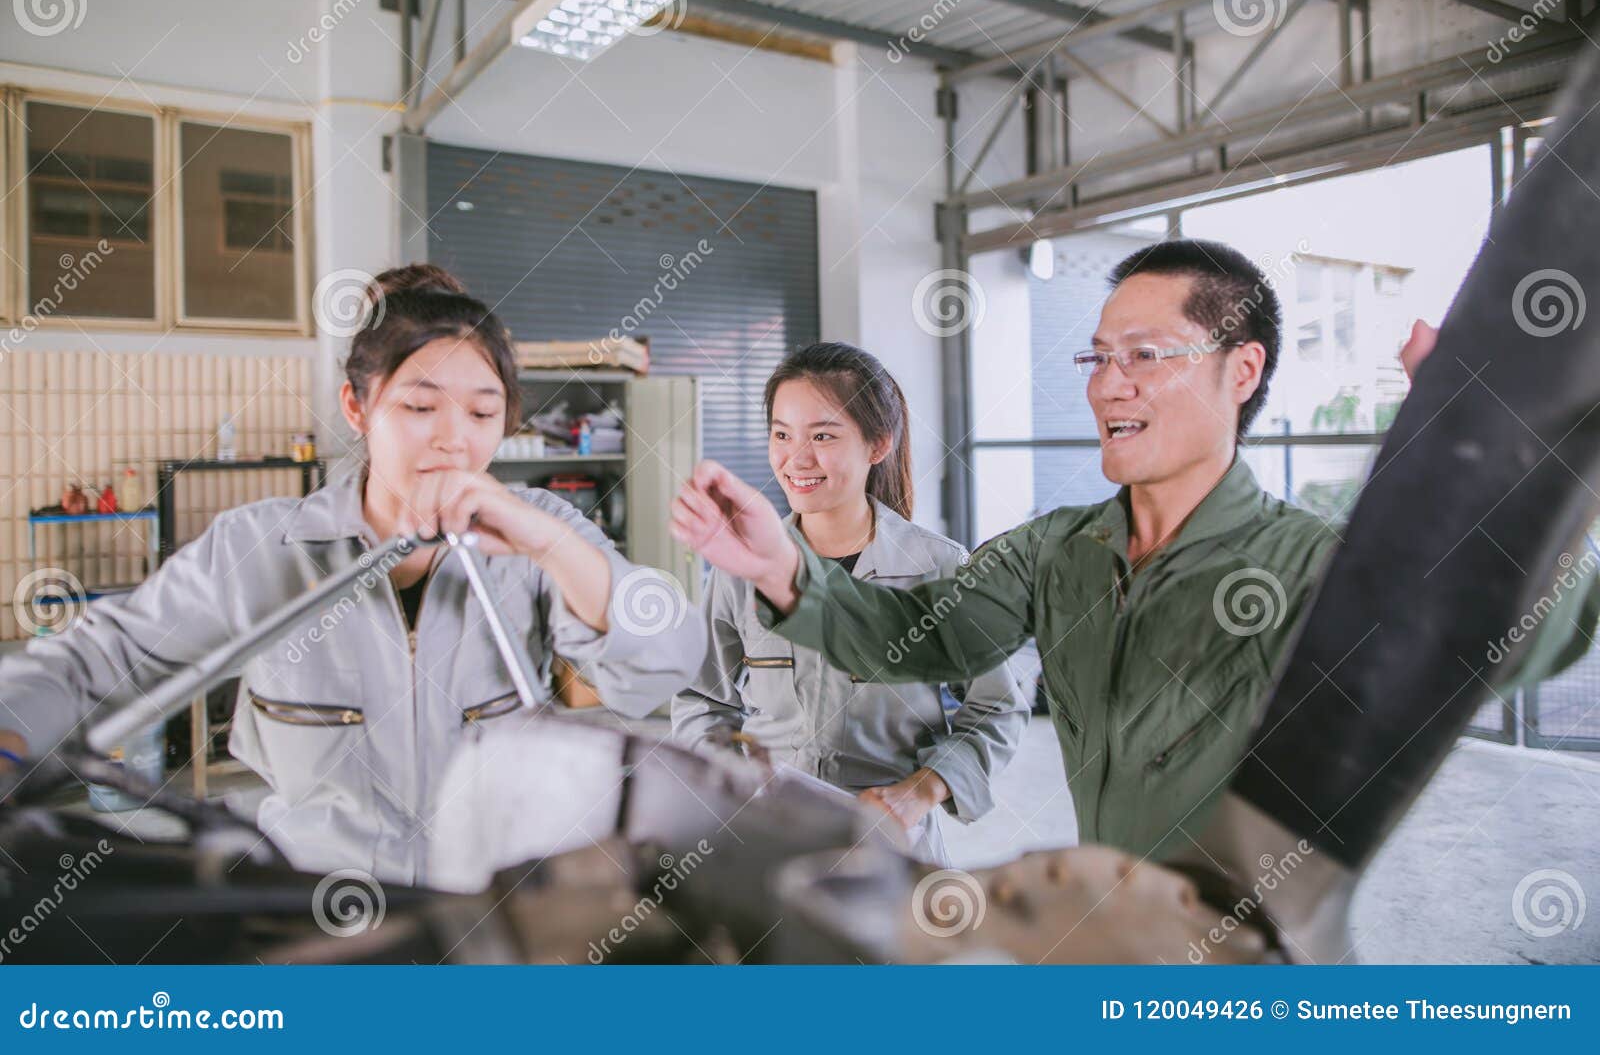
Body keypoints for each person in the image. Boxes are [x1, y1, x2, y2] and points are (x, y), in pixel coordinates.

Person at [668, 239, 1599, 858]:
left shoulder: (1308, 563)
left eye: (1145, 355)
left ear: (1242, 370)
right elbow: (919, 637)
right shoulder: (1056, 551)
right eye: (1098, 356)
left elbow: (1510, 641)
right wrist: (780, 569)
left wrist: (1496, 453)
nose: (1108, 385)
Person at [0, 265, 706, 886]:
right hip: (322, 909)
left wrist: (549, 544)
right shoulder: (267, 546)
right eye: (419, 406)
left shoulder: (541, 531)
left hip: (496, 900)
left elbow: (664, 662)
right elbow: (99, 659)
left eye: (483, 412)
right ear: (356, 407)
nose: (454, 438)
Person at [671, 343, 1027, 862]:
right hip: (767, 834)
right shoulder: (743, 565)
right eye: (782, 434)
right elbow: (702, 700)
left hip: (892, 842)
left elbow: (997, 708)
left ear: (877, 444)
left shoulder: (939, 566)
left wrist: (918, 793)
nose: (797, 458)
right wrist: (732, 784)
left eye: (822, 436)